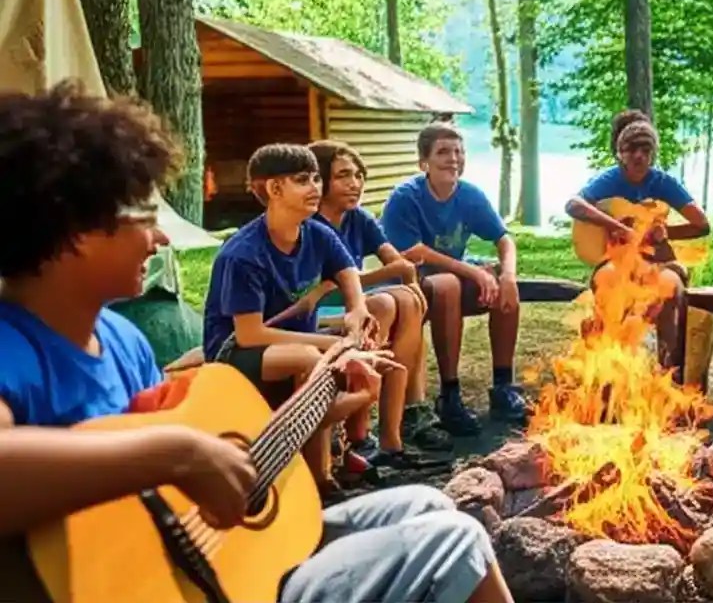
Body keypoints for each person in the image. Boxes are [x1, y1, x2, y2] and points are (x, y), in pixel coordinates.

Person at [0, 83, 513, 603]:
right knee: (456, 542)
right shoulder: (12, 346)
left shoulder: (122, 340)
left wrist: (335, 399)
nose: (160, 239)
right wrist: (175, 454)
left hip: (207, 561)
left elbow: (195, 465)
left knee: (424, 507)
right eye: (140, 218)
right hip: (137, 589)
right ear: (73, 230)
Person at [202, 143, 398, 489]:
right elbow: (250, 336)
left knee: (358, 344)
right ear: (275, 189)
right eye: (302, 180)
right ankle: (320, 474)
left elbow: (348, 272)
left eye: (316, 179)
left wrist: (357, 311)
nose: (315, 188)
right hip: (233, 352)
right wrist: (333, 345)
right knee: (312, 357)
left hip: (289, 342)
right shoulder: (244, 254)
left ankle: (335, 460)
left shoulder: (316, 233)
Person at [303, 139, 447, 461]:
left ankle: (391, 440)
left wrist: (408, 284)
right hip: (316, 312)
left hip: (356, 305)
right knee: (383, 304)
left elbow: (400, 264)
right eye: (343, 176)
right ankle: (359, 433)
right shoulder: (310, 225)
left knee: (405, 301)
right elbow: (320, 290)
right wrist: (368, 279)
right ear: (321, 180)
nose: (355, 184)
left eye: (358, 175)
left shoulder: (360, 219)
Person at [381, 122, 526, 436]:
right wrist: (473, 271)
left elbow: (504, 238)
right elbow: (414, 253)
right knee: (447, 284)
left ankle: (503, 386)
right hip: (409, 285)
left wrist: (509, 276)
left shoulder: (470, 195)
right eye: (443, 152)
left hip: (453, 276)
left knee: (501, 279)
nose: (453, 159)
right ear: (424, 163)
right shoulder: (405, 198)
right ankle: (450, 395)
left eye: (459, 151)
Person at [565, 110, 711, 373]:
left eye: (646, 150)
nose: (639, 156)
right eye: (631, 149)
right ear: (620, 153)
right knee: (608, 281)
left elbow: (702, 224)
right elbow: (573, 204)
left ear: (653, 154)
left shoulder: (663, 182)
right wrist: (618, 227)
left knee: (670, 287)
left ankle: (668, 372)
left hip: (660, 263)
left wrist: (666, 233)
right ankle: (611, 369)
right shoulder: (610, 179)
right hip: (617, 261)